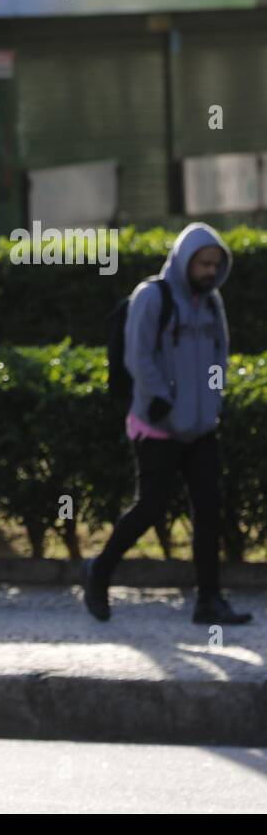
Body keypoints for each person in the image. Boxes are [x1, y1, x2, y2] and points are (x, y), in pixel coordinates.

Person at [83, 222, 252, 625]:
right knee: (151, 507)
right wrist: (159, 398)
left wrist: (214, 399)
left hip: (200, 426)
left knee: (209, 507)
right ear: (184, 261)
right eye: (203, 263)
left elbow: (220, 356)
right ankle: (99, 571)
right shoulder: (151, 296)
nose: (210, 272)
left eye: (215, 264)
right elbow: (137, 357)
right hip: (156, 425)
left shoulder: (212, 303)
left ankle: (208, 600)